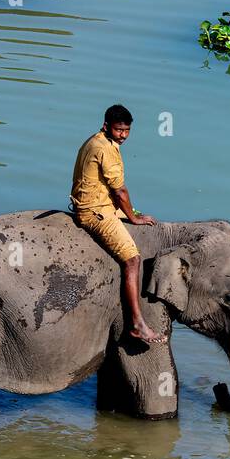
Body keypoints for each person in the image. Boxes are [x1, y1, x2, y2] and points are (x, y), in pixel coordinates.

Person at [70, 104, 165, 345]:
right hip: (95, 212)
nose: (123, 135)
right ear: (106, 126)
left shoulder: (96, 140)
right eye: (119, 130)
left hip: (98, 203)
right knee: (132, 259)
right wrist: (133, 217)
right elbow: (120, 191)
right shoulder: (105, 149)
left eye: (127, 130)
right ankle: (136, 324)